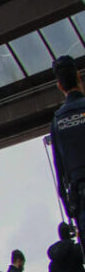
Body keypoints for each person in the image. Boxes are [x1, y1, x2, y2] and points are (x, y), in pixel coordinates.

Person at [50, 54, 85, 228]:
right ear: (79, 77)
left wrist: (69, 207)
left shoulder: (57, 121)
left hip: (80, 199)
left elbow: (59, 170)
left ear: (59, 86)